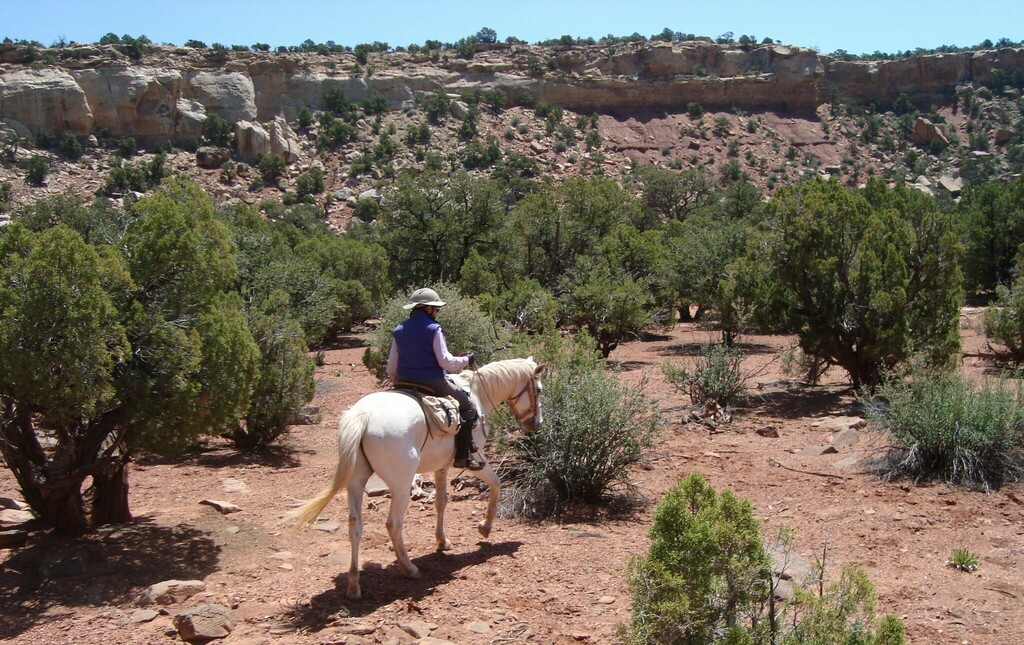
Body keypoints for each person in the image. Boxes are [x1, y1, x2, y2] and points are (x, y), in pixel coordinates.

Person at [386, 288, 482, 470]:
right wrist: (467, 359)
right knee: (469, 407)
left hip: (403, 381)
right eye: (436, 309)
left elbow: (391, 366)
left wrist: (398, 382)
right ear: (428, 309)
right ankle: (463, 456)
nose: (437, 313)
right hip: (432, 382)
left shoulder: (399, 330)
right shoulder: (433, 329)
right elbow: (446, 362)